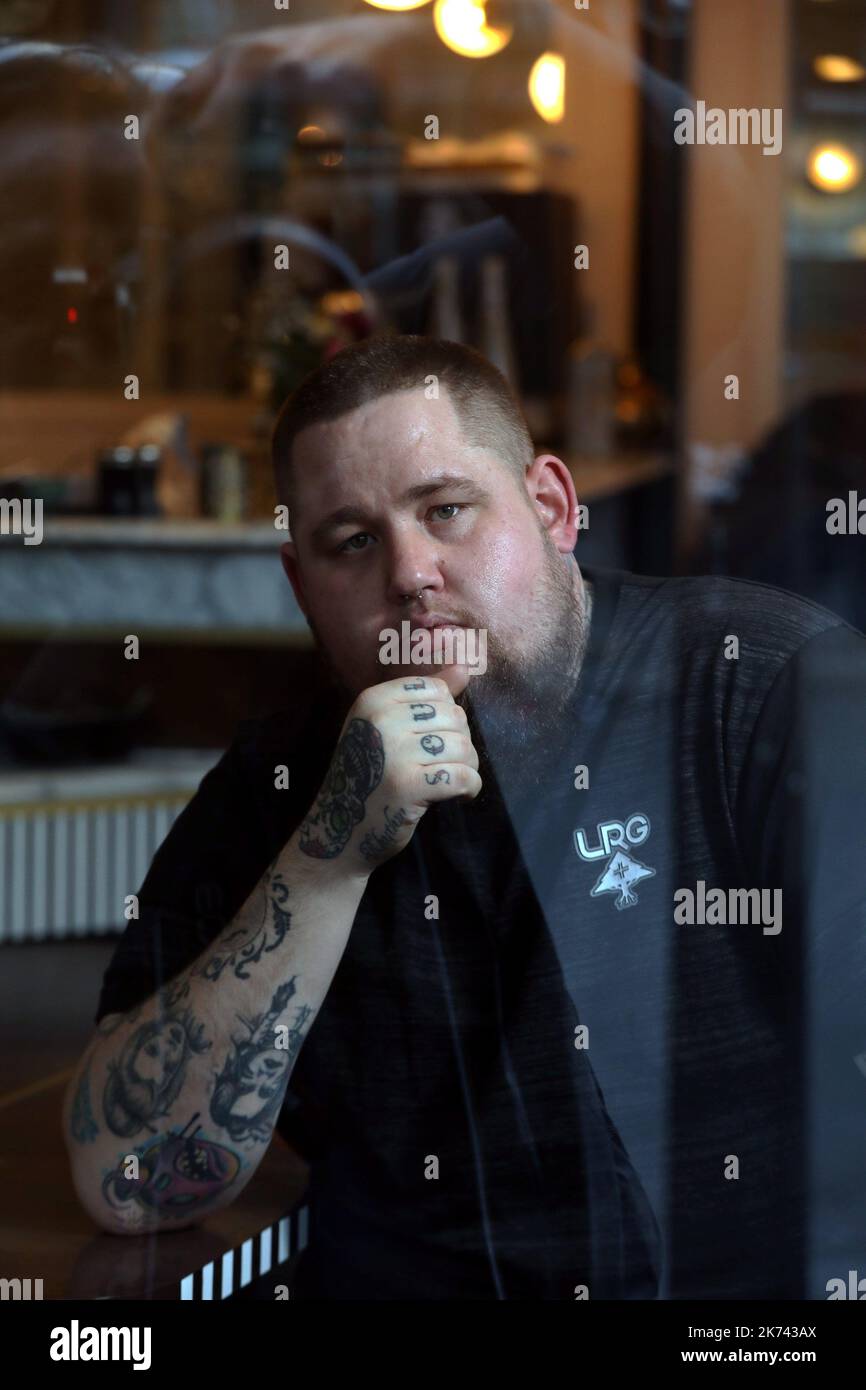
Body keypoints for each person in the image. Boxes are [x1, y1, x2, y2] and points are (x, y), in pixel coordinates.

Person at [64, 336, 866, 1300]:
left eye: (446, 510)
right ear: (300, 584)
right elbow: (131, 1181)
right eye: (352, 542)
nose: (410, 573)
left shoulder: (760, 685)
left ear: (553, 508)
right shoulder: (279, 782)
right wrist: (330, 859)